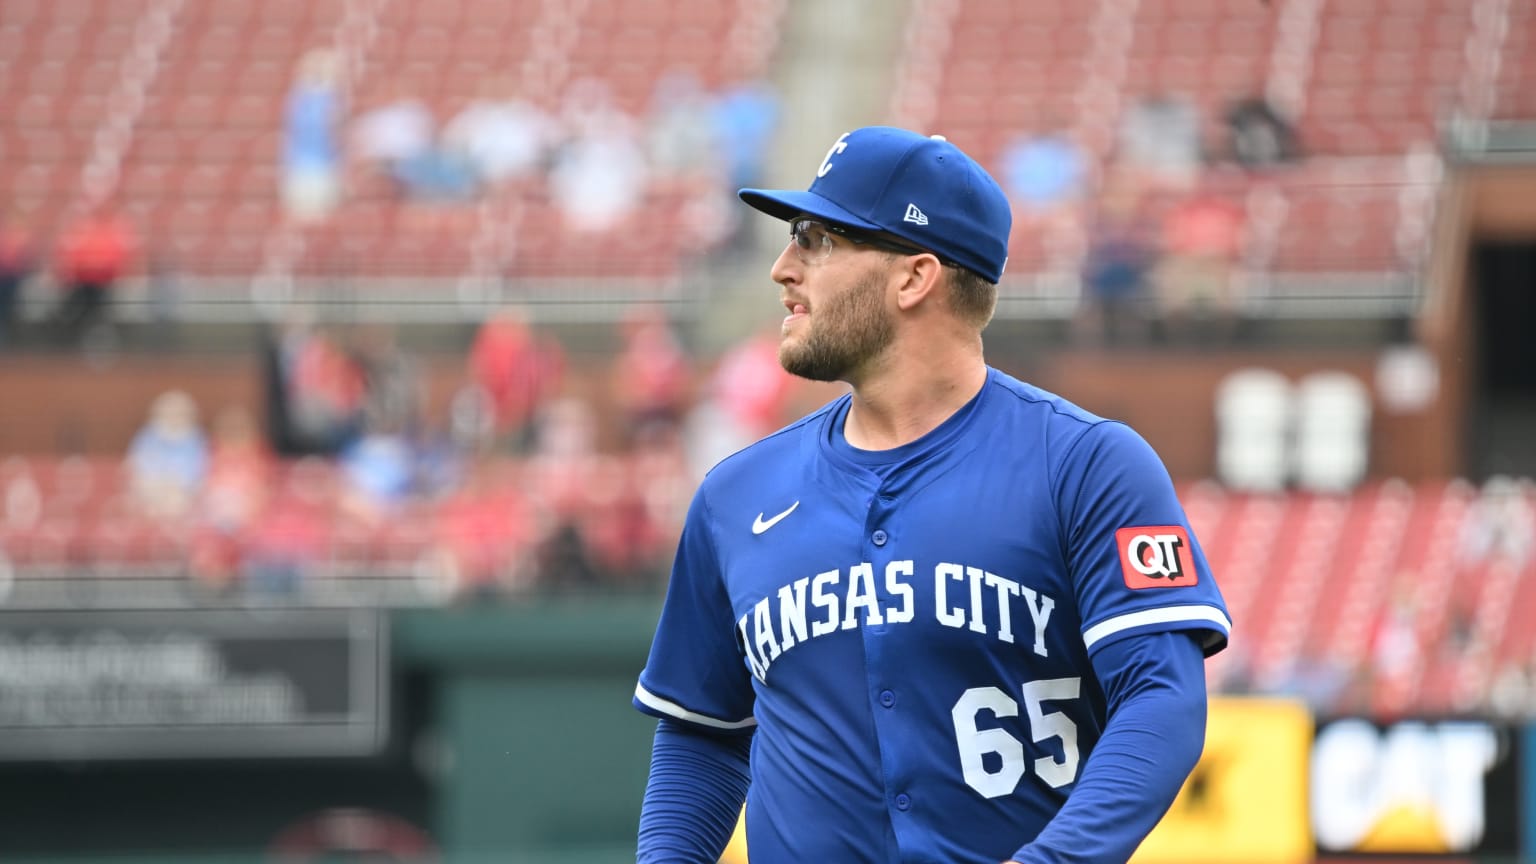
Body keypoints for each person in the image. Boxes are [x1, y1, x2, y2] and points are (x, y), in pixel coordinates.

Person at [633, 126, 1231, 864]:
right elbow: (703, 733)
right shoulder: (735, 494)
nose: (784, 268)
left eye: (817, 239)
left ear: (915, 277)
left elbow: (1162, 699)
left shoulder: (1085, 464)